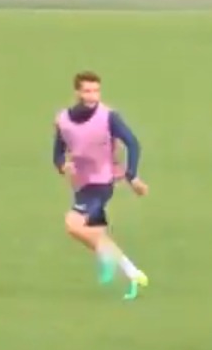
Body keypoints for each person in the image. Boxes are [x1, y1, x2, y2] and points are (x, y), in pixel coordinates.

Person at [54, 71, 149, 300]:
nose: (92, 96)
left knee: (73, 225)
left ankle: (117, 262)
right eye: (87, 91)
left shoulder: (108, 117)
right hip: (82, 183)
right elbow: (57, 153)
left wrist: (132, 175)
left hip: (101, 181)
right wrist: (62, 166)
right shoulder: (63, 120)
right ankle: (129, 272)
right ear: (77, 92)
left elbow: (133, 143)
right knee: (96, 233)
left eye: (96, 90)